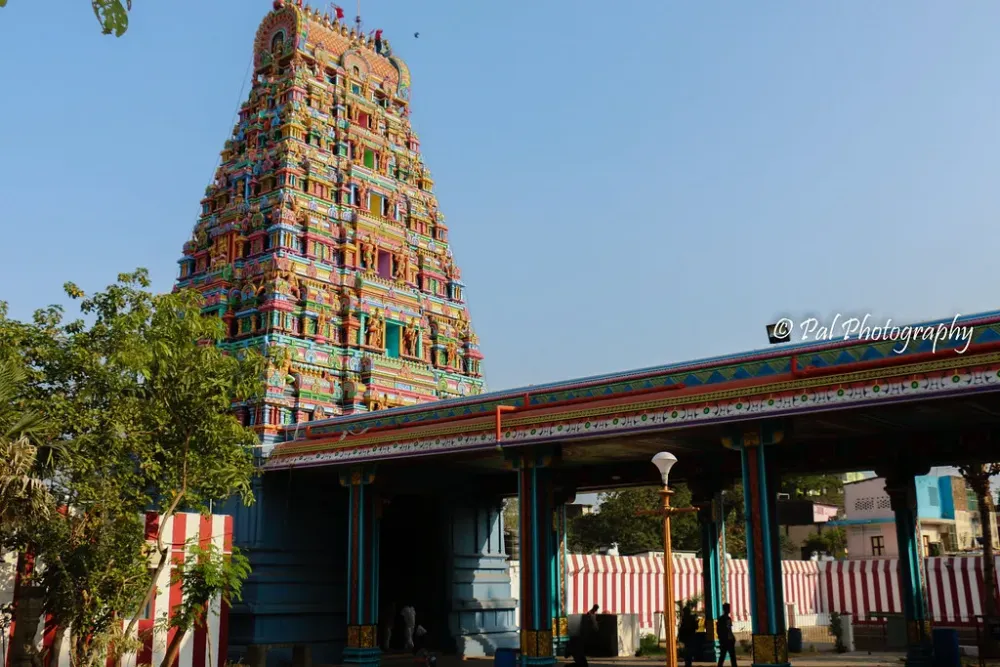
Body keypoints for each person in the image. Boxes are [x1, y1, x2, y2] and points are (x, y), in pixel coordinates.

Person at [677, 600, 699, 667]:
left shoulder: (686, 619)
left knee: (688, 651)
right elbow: (696, 627)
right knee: (689, 651)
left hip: (688, 637)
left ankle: (688, 663)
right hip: (690, 637)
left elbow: (682, 628)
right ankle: (688, 663)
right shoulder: (690, 618)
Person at [716, 603, 737, 667]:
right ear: (727, 609)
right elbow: (729, 630)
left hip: (723, 640)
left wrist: (720, 638)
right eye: (728, 608)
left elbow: (718, 630)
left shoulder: (720, 619)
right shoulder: (728, 619)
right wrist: (733, 638)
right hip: (729, 640)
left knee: (722, 656)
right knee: (732, 657)